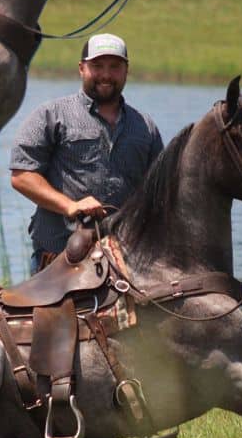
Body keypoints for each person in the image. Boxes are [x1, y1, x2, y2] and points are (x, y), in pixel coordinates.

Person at [9, 32, 163, 273]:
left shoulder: (145, 127)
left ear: (126, 70)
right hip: (57, 257)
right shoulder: (51, 114)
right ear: (82, 68)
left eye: (114, 66)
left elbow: (159, 192)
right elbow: (22, 176)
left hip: (126, 261)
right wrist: (70, 206)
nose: (106, 74)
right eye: (97, 66)